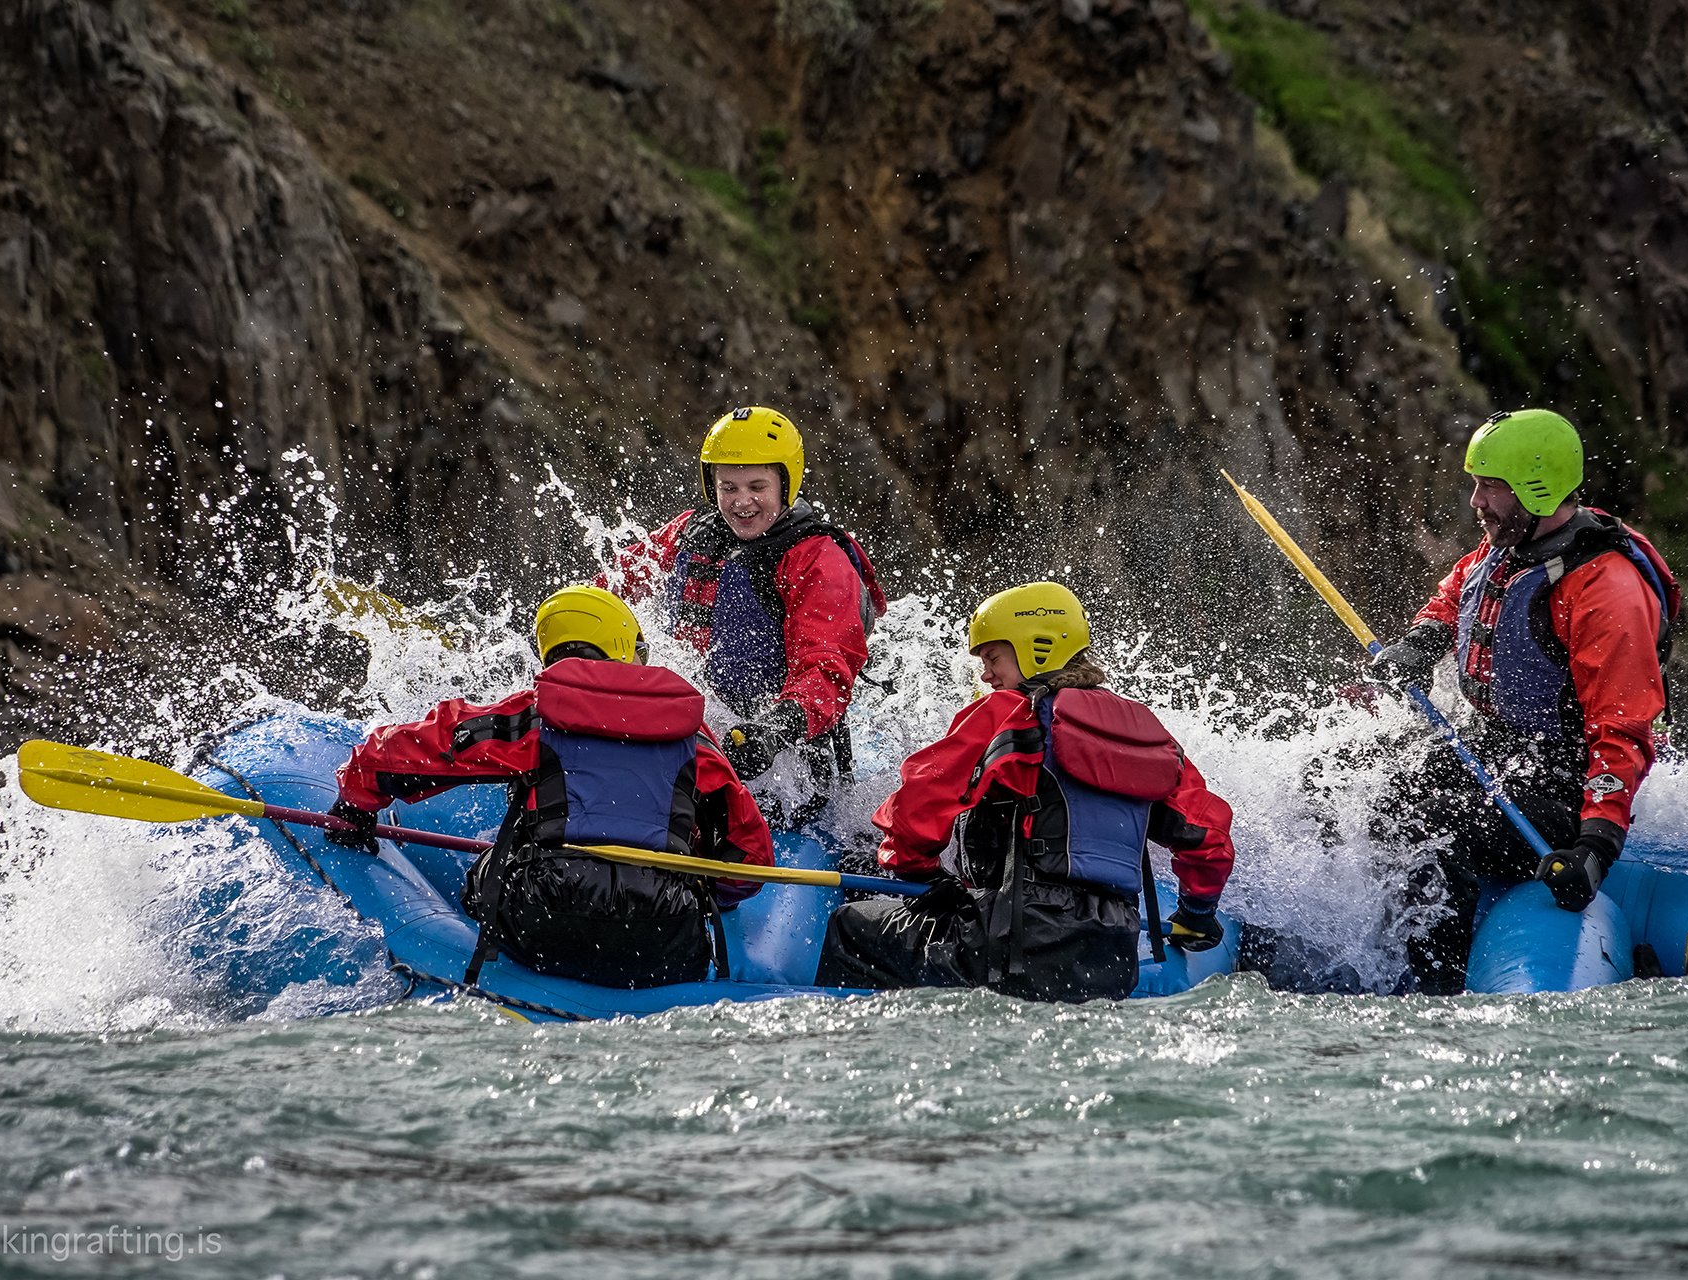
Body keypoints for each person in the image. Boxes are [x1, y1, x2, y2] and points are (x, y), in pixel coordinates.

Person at [1367, 408, 1680, 994]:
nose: (1475, 500)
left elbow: (1622, 730)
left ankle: (1429, 993)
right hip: (1498, 755)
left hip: (1563, 789)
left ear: (1536, 488)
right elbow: (1459, 590)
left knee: (1424, 823)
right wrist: (1419, 642)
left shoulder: (1604, 592)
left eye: (1490, 486)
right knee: (1347, 777)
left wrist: (1595, 848)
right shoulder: (1511, 544)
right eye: (1475, 483)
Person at [326, 585, 775, 989]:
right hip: (663, 939)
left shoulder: (537, 716)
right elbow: (749, 856)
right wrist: (705, 892)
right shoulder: (693, 738)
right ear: (631, 649)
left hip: (543, 921)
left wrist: (355, 805)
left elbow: (410, 751)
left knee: (490, 863)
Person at [814, 582, 1238, 1003]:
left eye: (993, 657)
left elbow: (918, 802)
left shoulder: (1009, 713)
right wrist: (1197, 915)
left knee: (852, 926)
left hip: (1011, 948)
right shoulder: (1149, 735)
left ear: (1036, 647)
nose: (985, 674)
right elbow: (1210, 838)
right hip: (1112, 958)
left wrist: (920, 873)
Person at [599, 406, 887, 801]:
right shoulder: (690, 531)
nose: (742, 502)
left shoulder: (818, 559)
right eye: (728, 487)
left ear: (786, 485)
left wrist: (774, 731)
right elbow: (616, 584)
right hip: (708, 732)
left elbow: (827, 667)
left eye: (757, 486)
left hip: (795, 755)